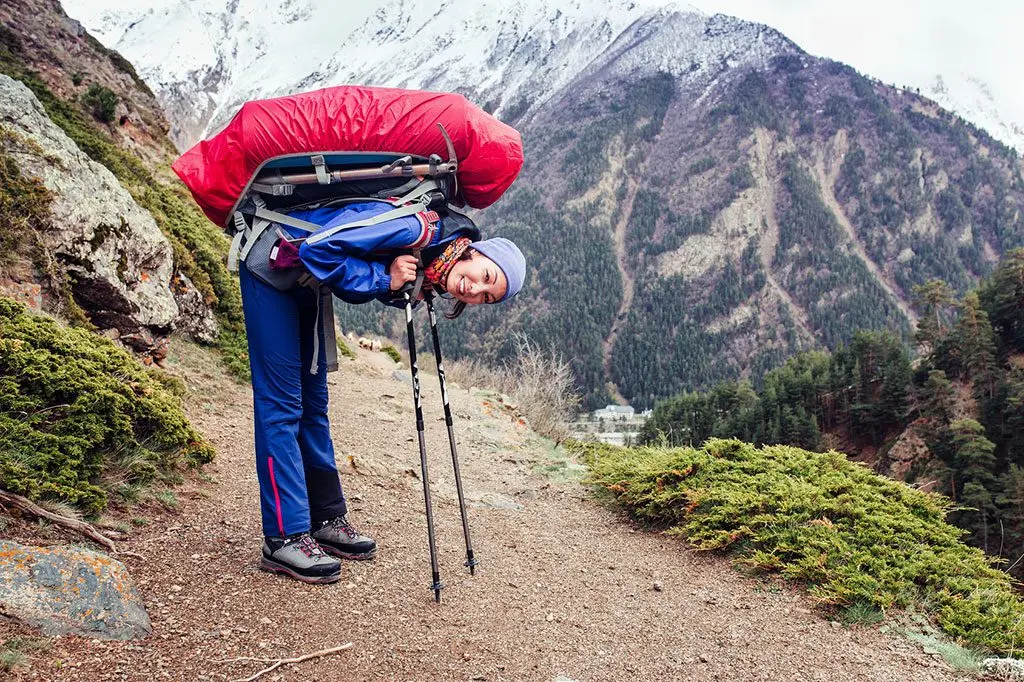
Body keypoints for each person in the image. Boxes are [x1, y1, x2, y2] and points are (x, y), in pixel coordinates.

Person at [239, 198, 526, 584]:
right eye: (485, 277)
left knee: (314, 406)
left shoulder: (431, 254)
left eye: (484, 297)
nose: (473, 290)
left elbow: (356, 263)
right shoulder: (416, 228)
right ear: (474, 252)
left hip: (302, 281)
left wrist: (396, 284)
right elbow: (320, 247)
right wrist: (384, 278)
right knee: (282, 407)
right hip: (270, 266)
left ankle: (324, 517)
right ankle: (284, 536)